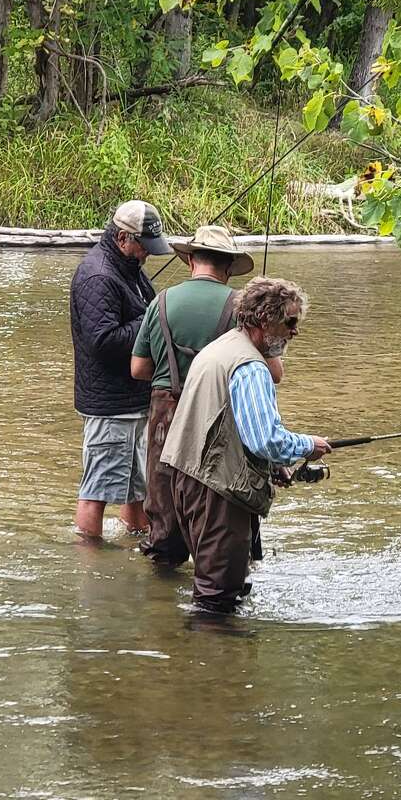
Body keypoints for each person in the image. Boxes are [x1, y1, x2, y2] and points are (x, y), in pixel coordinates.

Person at [158, 277, 331, 613]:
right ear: (265, 319)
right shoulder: (251, 366)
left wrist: (271, 466)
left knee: (212, 588)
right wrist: (307, 445)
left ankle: (189, 657)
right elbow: (266, 438)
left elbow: (226, 425)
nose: (295, 331)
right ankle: (214, 660)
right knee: (217, 600)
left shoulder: (220, 347)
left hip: (185, 479)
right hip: (215, 493)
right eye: (290, 322)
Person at [129, 225, 255, 566]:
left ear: (190, 262)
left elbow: (138, 369)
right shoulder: (241, 307)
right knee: (220, 514)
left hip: (165, 422)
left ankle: (160, 602)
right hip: (219, 419)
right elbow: (270, 373)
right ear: (228, 267)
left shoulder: (161, 301)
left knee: (164, 520)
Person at [70, 199, 172, 540]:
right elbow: (103, 341)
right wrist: (151, 320)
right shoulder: (98, 276)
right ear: (123, 238)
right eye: (144, 247)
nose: (148, 255)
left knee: (137, 487)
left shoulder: (129, 270)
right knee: (96, 489)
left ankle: (136, 541)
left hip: (131, 400)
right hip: (110, 406)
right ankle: (90, 561)